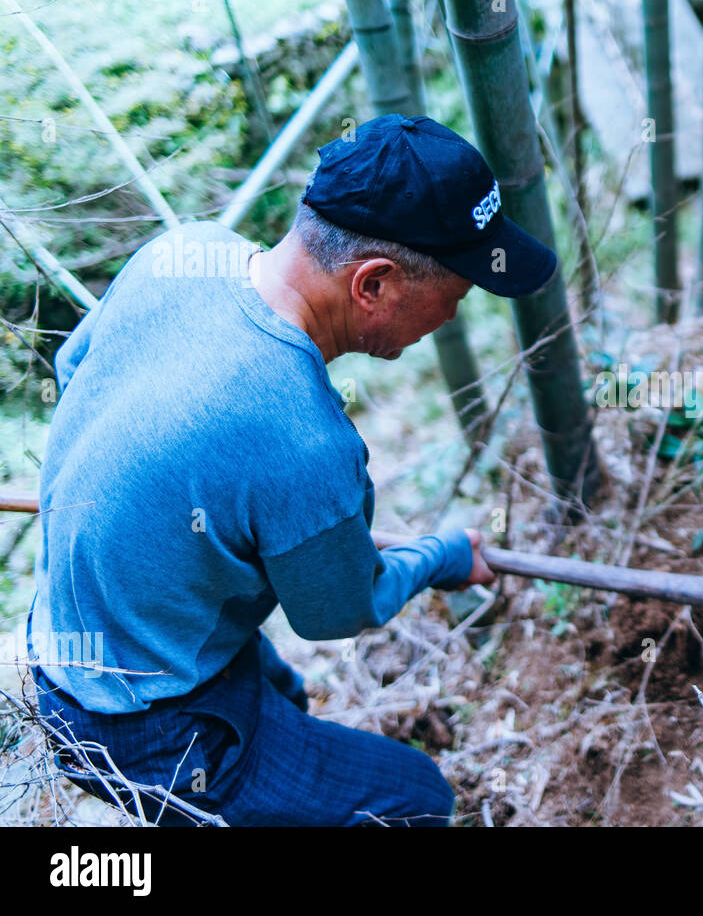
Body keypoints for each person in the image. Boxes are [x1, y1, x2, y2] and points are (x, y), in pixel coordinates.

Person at [26, 114, 559, 825]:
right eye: (457, 295)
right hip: (138, 725)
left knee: (286, 695)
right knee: (419, 799)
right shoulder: (307, 440)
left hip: (72, 638)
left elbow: (73, 366)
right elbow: (339, 609)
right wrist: (440, 556)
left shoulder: (186, 250)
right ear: (374, 283)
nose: (453, 316)